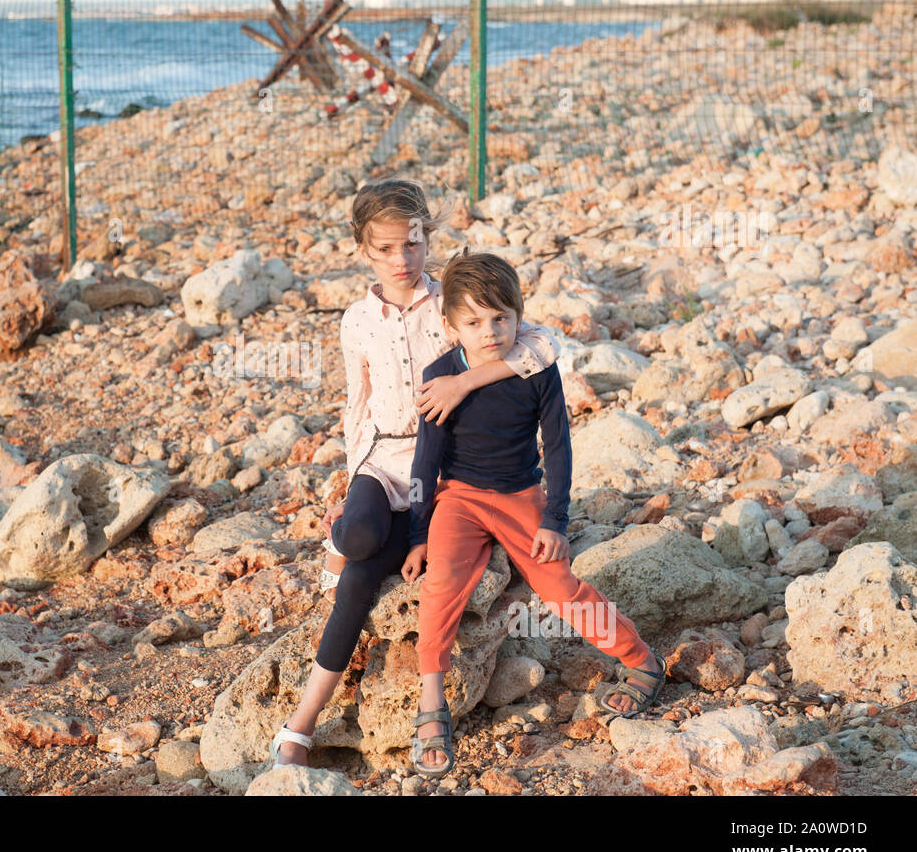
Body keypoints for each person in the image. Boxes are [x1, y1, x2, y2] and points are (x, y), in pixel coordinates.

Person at [269, 179, 561, 768]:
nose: (402, 260)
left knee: (358, 583)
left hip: (440, 469)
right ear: (363, 251)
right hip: (381, 459)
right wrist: (352, 480)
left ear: (428, 238)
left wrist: (464, 381)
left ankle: (300, 726)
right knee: (355, 538)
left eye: (412, 244)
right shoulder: (356, 320)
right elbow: (356, 405)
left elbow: (543, 346)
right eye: (386, 250)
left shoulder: (451, 303)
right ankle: (341, 538)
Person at [399, 250, 666, 778]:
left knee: (561, 590)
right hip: (459, 498)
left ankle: (642, 661)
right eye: (474, 321)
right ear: (452, 325)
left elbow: (558, 446)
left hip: (522, 496)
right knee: (441, 584)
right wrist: (417, 532)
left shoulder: (536, 369)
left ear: (519, 315)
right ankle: (432, 701)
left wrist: (555, 522)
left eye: (501, 317)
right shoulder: (438, 377)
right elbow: (424, 461)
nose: (491, 331)